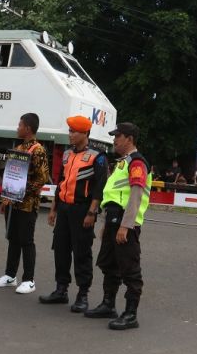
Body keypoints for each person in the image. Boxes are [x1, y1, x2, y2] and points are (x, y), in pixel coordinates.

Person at [86, 122, 152, 331]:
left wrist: (126, 226)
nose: (114, 140)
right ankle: (108, 305)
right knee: (109, 264)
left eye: (118, 136)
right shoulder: (123, 162)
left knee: (130, 270)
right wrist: (107, 223)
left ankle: (130, 314)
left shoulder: (137, 163)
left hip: (126, 222)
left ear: (129, 139)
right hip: (114, 220)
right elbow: (114, 196)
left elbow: (135, 196)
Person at [39, 115, 107, 313]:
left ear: (84, 133)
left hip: (83, 210)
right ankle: (61, 290)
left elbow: (99, 188)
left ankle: (82, 294)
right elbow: (60, 183)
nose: (70, 135)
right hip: (64, 209)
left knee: (82, 252)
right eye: (69, 131)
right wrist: (53, 209)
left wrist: (92, 213)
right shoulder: (68, 155)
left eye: (73, 131)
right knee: (60, 249)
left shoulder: (98, 156)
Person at [0, 113, 50, 295]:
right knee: (13, 239)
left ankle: (29, 280)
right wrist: (6, 199)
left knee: (26, 241)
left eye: (20, 125)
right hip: (13, 204)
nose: (17, 128)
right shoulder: (19, 148)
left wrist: (18, 193)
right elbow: (11, 177)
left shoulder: (37, 150)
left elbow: (41, 179)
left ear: (28, 128)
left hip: (27, 205)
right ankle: (10, 275)